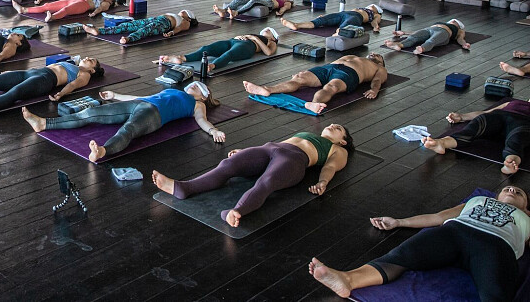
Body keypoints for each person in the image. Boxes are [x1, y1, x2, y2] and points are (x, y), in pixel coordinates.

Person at [309, 186, 530, 302]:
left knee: (496, 294)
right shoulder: (478, 201)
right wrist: (398, 222)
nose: (511, 190)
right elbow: (438, 217)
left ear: (526, 206)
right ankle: (347, 280)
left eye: (518, 192)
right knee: (401, 255)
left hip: (497, 246)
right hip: (454, 232)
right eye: (507, 189)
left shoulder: (527, 219)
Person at [152, 125, 352, 228]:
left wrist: (323, 182)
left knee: (267, 182)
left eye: (338, 129)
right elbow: (282, 142)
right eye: (333, 123)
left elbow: (331, 167)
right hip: (269, 149)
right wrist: (245, 151)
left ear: (342, 141)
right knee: (228, 165)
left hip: (295, 160)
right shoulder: (308, 133)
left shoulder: (337, 150)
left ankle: (237, 211)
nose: (333, 125)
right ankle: (184, 188)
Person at [22, 82, 225, 162]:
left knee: (128, 130)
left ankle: (102, 151)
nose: (192, 87)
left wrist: (213, 131)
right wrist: (115, 95)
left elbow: (201, 121)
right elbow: (143, 97)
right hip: (140, 103)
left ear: (204, 96)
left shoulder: (199, 105)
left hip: (154, 116)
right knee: (91, 112)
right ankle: (44, 124)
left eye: (197, 87)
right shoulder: (173, 90)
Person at [244, 53, 387, 114]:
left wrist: (374, 90)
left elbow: (377, 80)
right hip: (329, 68)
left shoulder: (379, 68)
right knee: (300, 78)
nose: (374, 54)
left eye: (378, 55)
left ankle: (314, 103)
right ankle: (267, 89)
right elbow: (330, 65)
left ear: (381, 61)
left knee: (331, 87)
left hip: (351, 73)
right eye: (373, 53)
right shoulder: (355, 56)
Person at [421, 98, 530, 174]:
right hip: (499, 117)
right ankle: (442, 143)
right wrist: (462, 116)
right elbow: (486, 112)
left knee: (517, 139)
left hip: (524, 123)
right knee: (479, 123)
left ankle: (510, 162)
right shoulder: (514, 102)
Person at [158, 28, 279, 73]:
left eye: (268, 30)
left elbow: (268, 53)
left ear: (273, 36)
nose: (265, 30)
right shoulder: (257, 35)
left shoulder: (271, 42)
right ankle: (183, 58)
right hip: (233, 41)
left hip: (249, 46)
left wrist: (254, 38)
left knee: (230, 54)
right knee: (207, 49)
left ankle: (213, 65)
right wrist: (239, 37)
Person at [84, 10, 194, 45]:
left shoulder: (186, 22)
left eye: (185, 12)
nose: (182, 11)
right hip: (155, 19)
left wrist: (171, 33)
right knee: (128, 25)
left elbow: (178, 29)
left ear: (189, 18)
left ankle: (129, 38)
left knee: (145, 31)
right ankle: (99, 30)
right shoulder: (179, 16)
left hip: (165, 24)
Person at [281, 4, 383, 34]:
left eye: (373, 7)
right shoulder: (360, 8)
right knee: (321, 20)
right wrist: (325, 16)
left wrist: (375, 27)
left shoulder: (376, 14)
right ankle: (296, 25)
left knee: (345, 26)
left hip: (356, 17)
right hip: (343, 14)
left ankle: (337, 34)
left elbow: (375, 22)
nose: (371, 6)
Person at [385, 18, 469, 55]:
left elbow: (460, 38)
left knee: (432, 40)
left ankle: (422, 48)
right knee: (413, 37)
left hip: (444, 32)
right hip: (429, 29)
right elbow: (417, 32)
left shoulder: (460, 30)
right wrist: (404, 32)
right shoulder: (442, 23)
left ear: (458, 25)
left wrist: (464, 44)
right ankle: (398, 45)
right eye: (452, 20)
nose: (453, 21)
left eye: (455, 22)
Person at [20, 0, 116, 22]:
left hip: (83, 5)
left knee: (66, 10)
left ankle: (52, 17)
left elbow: (100, 9)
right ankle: (24, 9)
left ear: (111, 2)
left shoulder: (106, 4)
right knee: (48, 6)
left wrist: (94, 13)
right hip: (77, 0)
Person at [213, 0, 294, 20]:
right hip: (263, 0)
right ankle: (223, 11)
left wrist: (280, 12)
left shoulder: (287, 2)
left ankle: (236, 13)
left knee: (253, 1)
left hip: (269, 4)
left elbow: (284, 8)